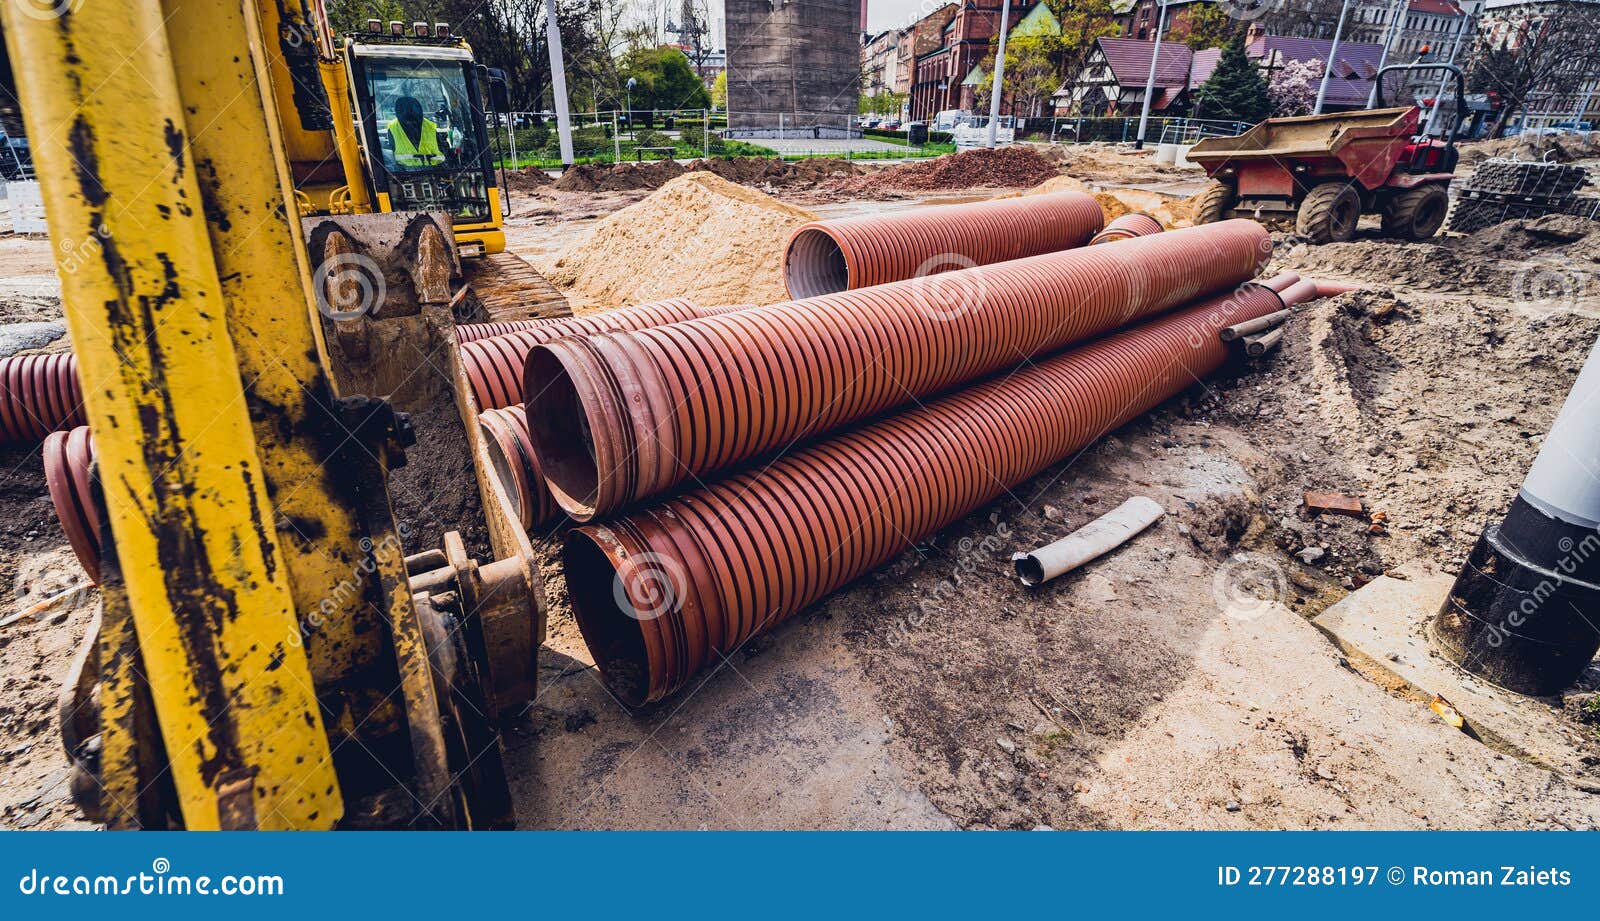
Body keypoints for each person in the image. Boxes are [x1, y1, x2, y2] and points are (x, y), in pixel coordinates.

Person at [387, 95, 441, 168]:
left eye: (414, 121)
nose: (412, 124)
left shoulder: (430, 127)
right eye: (408, 121)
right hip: (405, 174)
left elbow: (440, 153)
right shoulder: (393, 129)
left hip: (434, 171)